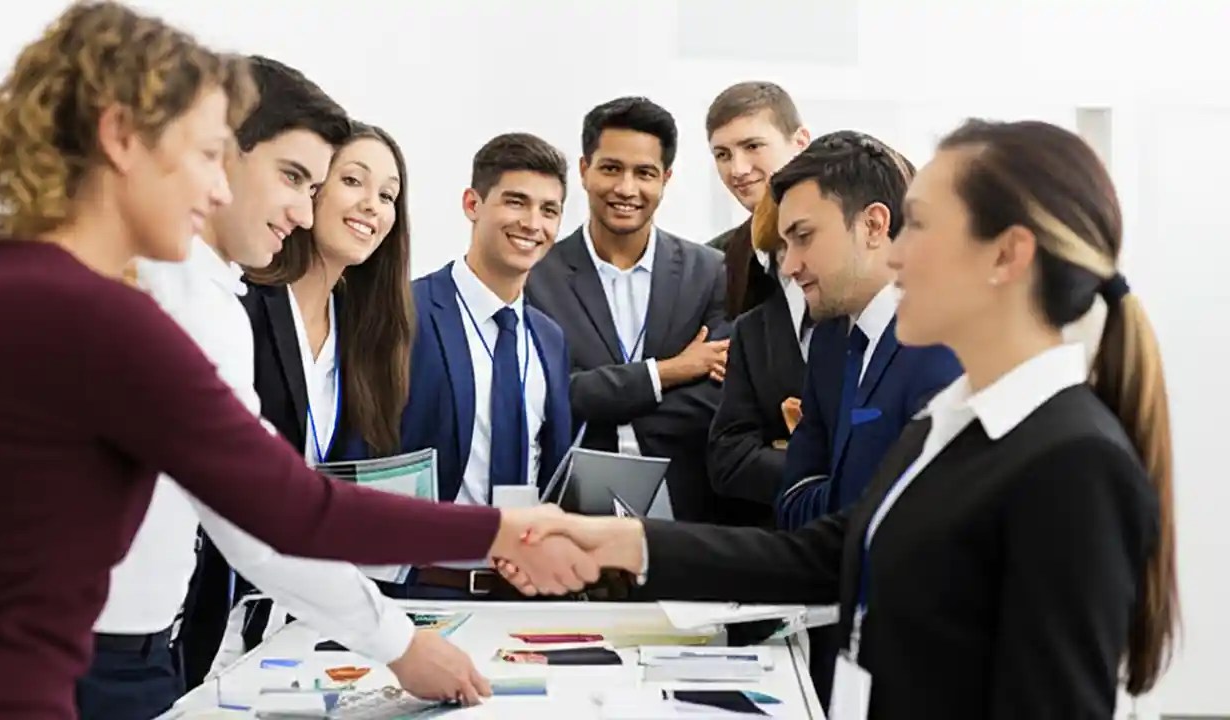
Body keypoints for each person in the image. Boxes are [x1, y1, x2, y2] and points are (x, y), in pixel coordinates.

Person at [0, 4, 595, 718]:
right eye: (206, 156)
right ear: (121, 137)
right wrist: (497, 536)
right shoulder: (111, 314)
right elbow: (283, 510)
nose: (217, 186)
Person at [505, 119, 1179, 719]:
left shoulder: (1073, 462)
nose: (899, 253)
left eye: (921, 226)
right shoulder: (954, 424)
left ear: (1007, 255)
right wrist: (617, 542)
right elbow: (830, 553)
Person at [226, 121, 428, 653]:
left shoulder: (362, 336)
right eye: (354, 182)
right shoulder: (245, 305)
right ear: (313, 187)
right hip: (216, 602)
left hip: (296, 619)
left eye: (388, 195)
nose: (372, 206)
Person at [526, 96, 740, 524]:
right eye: (611, 169)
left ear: (665, 179)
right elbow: (552, 394)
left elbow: (721, 394)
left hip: (691, 502)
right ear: (585, 171)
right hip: (570, 508)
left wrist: (605, 397)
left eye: (644, 173)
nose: (626, 188)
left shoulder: (710, 271)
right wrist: (670, 371)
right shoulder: (536, 276)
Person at [397, 132, 575, 599]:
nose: (533, 223)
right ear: (472, 203)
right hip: (426, 592)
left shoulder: (549, 338)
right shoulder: (407, 313)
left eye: (549, 210)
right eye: (516, 202)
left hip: (529, 594)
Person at [774, 132, 961, 531]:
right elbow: (791, 502)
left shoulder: (940, 346)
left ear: (873, 225)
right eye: (785, 244)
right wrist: (854, 499)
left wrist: (847, 500)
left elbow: (911, 515)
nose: (789, 265)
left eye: (803, 237)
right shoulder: (828, 342)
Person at [706, 192, 811, 525]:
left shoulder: (892, 321)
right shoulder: (753, 329)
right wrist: (823, 470)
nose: (792, 264)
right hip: (783, 533)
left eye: (805, 240)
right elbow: (729, 459)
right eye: (779, 251)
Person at [705, 81, 810, 320]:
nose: (737, 169)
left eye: (753, 146)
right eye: (723, 155)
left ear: (800, 143)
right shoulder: (717, 262)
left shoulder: (851, 241)